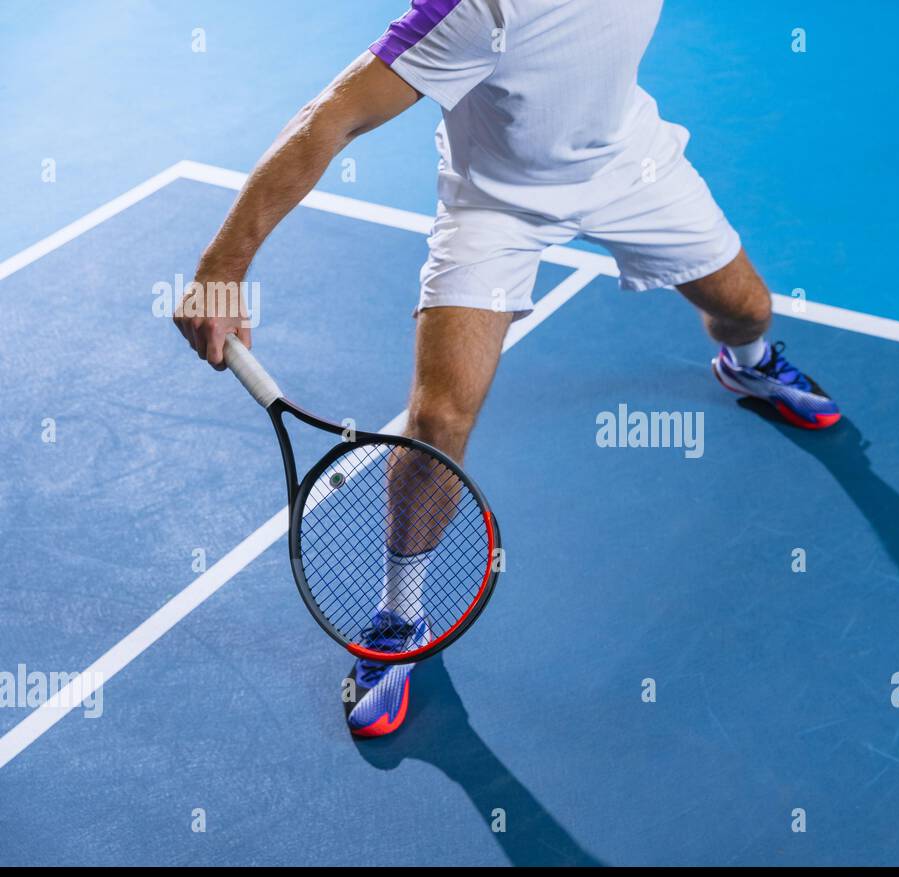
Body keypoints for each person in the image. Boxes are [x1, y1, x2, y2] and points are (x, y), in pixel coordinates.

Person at [173, 0, 840, 737]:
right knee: (437, 421)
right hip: (497, 203)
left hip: (628, 162)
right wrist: (222, 266)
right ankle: (400, 613)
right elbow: (332, 116)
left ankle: (746, 366)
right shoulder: (475, 8)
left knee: (747, 308)